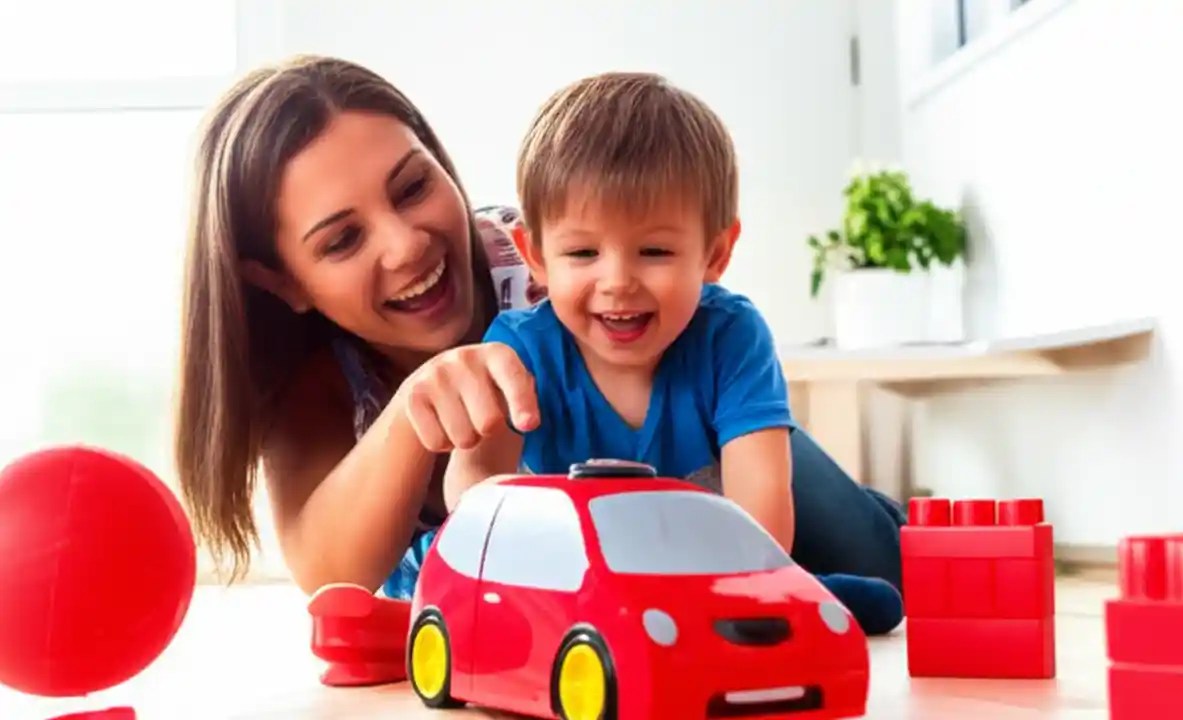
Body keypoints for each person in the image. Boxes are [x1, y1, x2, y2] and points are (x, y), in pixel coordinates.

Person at [174, 54, 905, 651]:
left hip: (696, 463)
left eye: (413, 186)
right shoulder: (311, 381)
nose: (406, 245)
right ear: (279, 282)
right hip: (567, 569)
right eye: (342, 240)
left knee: (878, 563)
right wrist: (415, 407)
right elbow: (332, 578)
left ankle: (902, 524)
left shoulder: (552, 260)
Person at [443, 71, 902, 635]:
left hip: (714, 547)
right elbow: (474, 503)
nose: (617, 281)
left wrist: (728, 594)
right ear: (535, 257)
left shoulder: (732, 334)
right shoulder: (519, 349)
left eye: (654, 250)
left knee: (887, 574)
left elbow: (763, 531)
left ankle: (877, 520)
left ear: (715, 253)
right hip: (602, 569)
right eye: (582, 252)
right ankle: (807, 588)